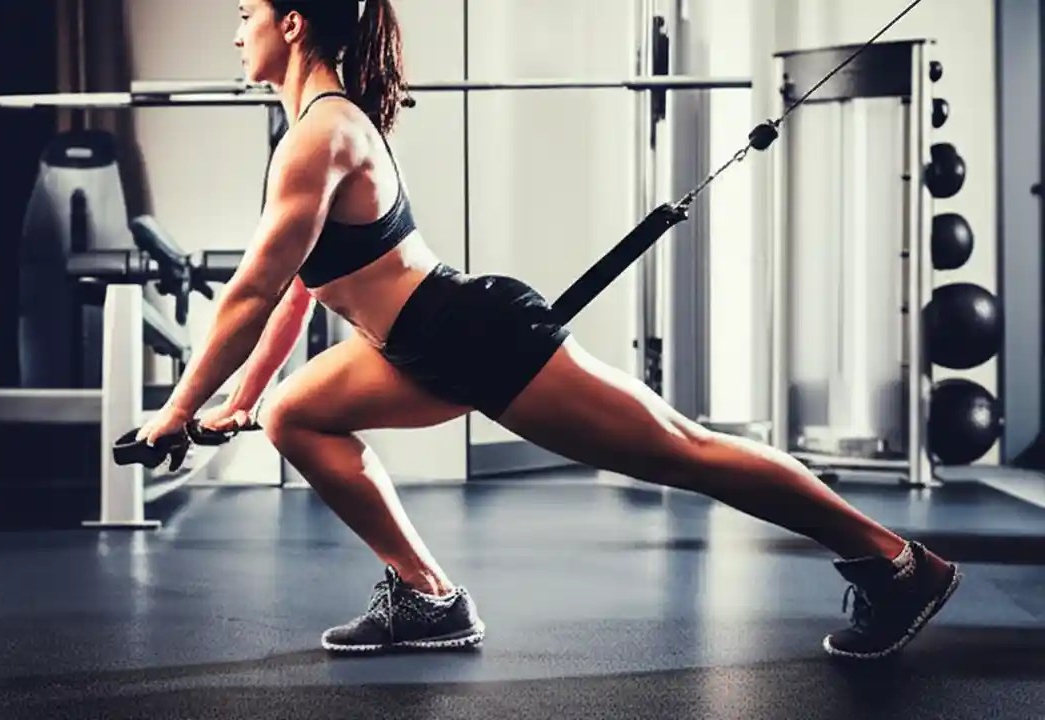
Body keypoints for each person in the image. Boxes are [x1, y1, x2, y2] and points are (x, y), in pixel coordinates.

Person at [137, 0, 962, 659]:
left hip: (473, 336)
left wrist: (176, 410)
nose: (234, 31)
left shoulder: (321, 133)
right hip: (413, 344)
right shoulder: (314, 130)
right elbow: (290, 295)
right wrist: (238, 399)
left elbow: (249, 292)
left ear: (291, 23)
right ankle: (427, 598)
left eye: (244, 13)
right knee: (293, 415)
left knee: (686, 451)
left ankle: (896, 564)